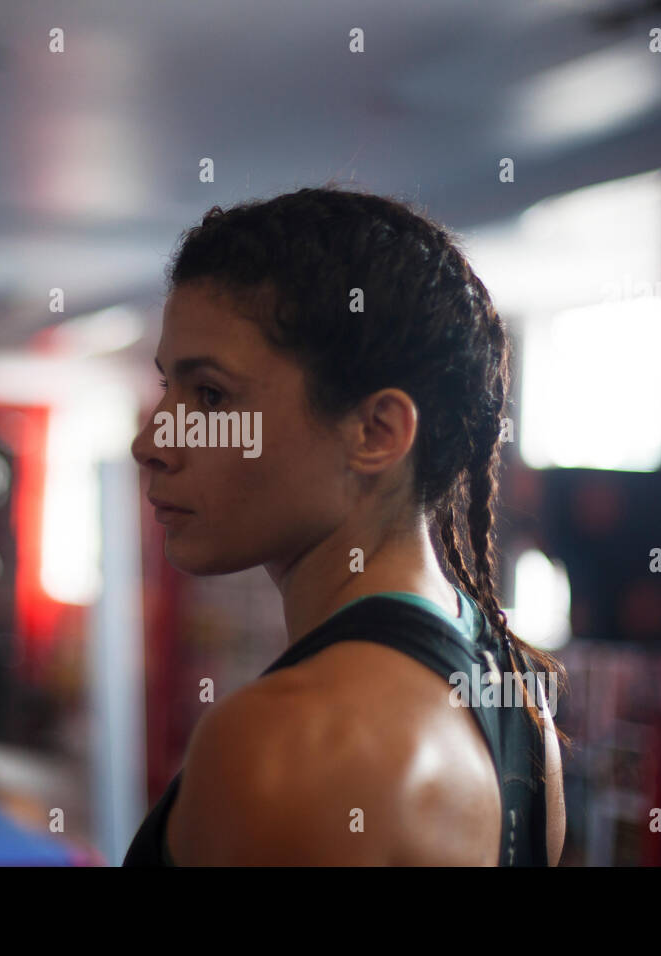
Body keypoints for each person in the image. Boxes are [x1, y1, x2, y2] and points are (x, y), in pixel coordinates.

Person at [125, 185, 569, 866]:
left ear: (375, 432)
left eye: (211, 395)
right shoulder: (520, 710)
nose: (152, 440)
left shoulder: (287, 745)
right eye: (168, 390)